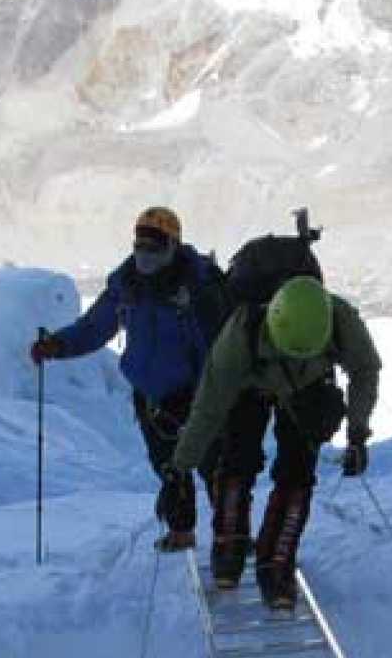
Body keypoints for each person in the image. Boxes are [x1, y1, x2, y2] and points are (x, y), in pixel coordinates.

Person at [167, 276, 381, 610]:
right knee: (238, 455)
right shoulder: (241, 334)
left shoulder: (341, 322)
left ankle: (276, 560)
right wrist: (180, 468)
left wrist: (357, 435)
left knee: (297, 470)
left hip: (308, 387)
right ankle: (230, 543)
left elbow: (365, 370)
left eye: (302, 354)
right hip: (250, 381)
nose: (294, 357)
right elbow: (209, 407)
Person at [31, 206, 227, 551]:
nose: (145, 253)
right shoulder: (127, 286)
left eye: (154, 245)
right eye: (141, 244)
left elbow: (217, 338)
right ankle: (183, 530)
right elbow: (95, 327)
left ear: (172, 245)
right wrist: (57, 345)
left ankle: (229, 531)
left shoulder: (197, 285)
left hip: (196, 391)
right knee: (166, 464)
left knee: (212, 462)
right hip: (149, 393)